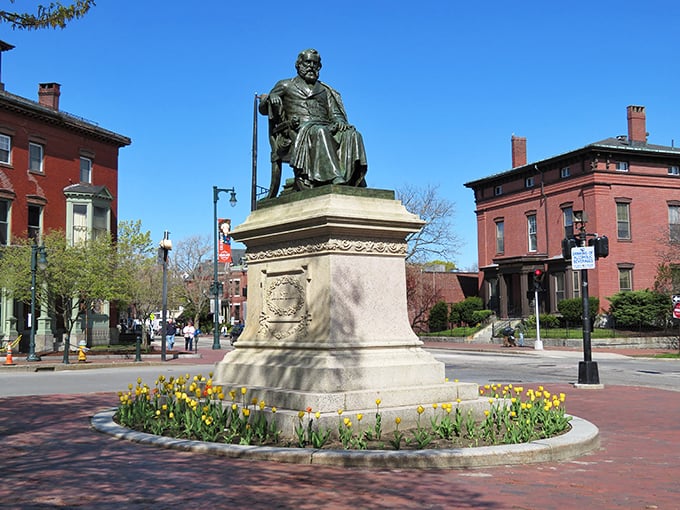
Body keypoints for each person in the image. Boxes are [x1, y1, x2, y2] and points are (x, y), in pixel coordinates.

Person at [260, 48, 367, 190]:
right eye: (307, 62)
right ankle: (334, 177)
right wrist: (269, 98)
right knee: (320, 132)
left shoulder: (325, 90)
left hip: (326, 126)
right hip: (298, 130)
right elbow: (262, 109)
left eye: (315, 64)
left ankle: (353, 179)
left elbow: (335, 113)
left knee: (353, 135)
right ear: (299, 65)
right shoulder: (286, 85)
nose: (311, 66)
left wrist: (340, 122)